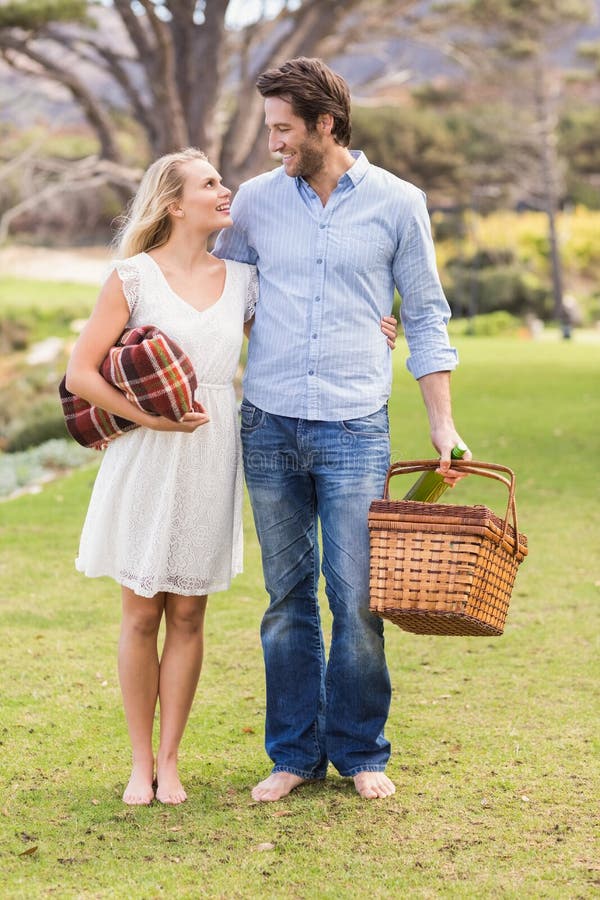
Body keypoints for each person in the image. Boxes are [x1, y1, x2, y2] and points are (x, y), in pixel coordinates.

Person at [214, 57, 471, 802]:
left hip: (355, 426)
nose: (273, 144)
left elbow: (425, 314)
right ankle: (294, 752)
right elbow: (222, 292)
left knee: (357, 595)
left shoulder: (399, 203)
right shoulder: (258, 202)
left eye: (284, 129)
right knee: (285, 597)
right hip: (268, 423)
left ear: (326, 124)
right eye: (270, 129)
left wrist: (443, 424)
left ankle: (361, 752)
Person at [65, 148, 259, 805]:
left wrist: (378, 328)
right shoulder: (132, 276)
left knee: (190, 612)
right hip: (147, 457)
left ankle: (171, 762)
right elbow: (81, 373)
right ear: (175, 204)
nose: (225, 190)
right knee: (141, 611)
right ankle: (138, 762)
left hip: (212, 454)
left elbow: (293, 339)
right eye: (210, 184)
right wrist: (149, 417)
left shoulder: (243, 280)